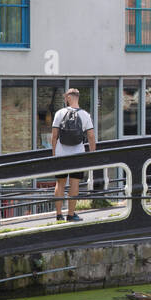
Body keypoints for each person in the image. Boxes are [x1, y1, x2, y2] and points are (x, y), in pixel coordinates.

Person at [52, 88, 96, 219]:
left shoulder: (59, 113)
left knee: (60, 183)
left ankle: (59, 215)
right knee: (74, 183)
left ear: (68, 98)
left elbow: (54, 136)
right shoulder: (85, 115)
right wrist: (92, 154)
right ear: (78, 98)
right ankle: (71, 214)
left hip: (61, 154)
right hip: (78, 154)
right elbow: (91, 136)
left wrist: (54, 154)